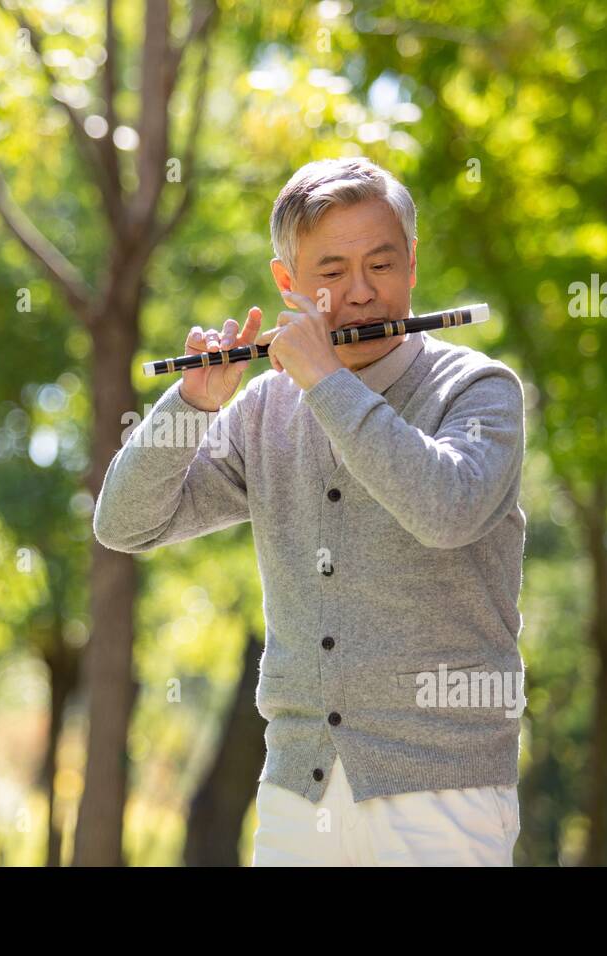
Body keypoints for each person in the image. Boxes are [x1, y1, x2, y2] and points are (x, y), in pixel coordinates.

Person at [93, 156, 527, 866]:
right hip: (299, 789)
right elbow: (126, 523)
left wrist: (326, 381)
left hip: (444, 796)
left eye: (382, 265)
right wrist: (194, 403)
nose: (361, 293)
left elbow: (445, 510)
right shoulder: (267, 408)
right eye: (332, 273)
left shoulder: (478, 390)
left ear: (413, 265)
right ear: (288, 284)